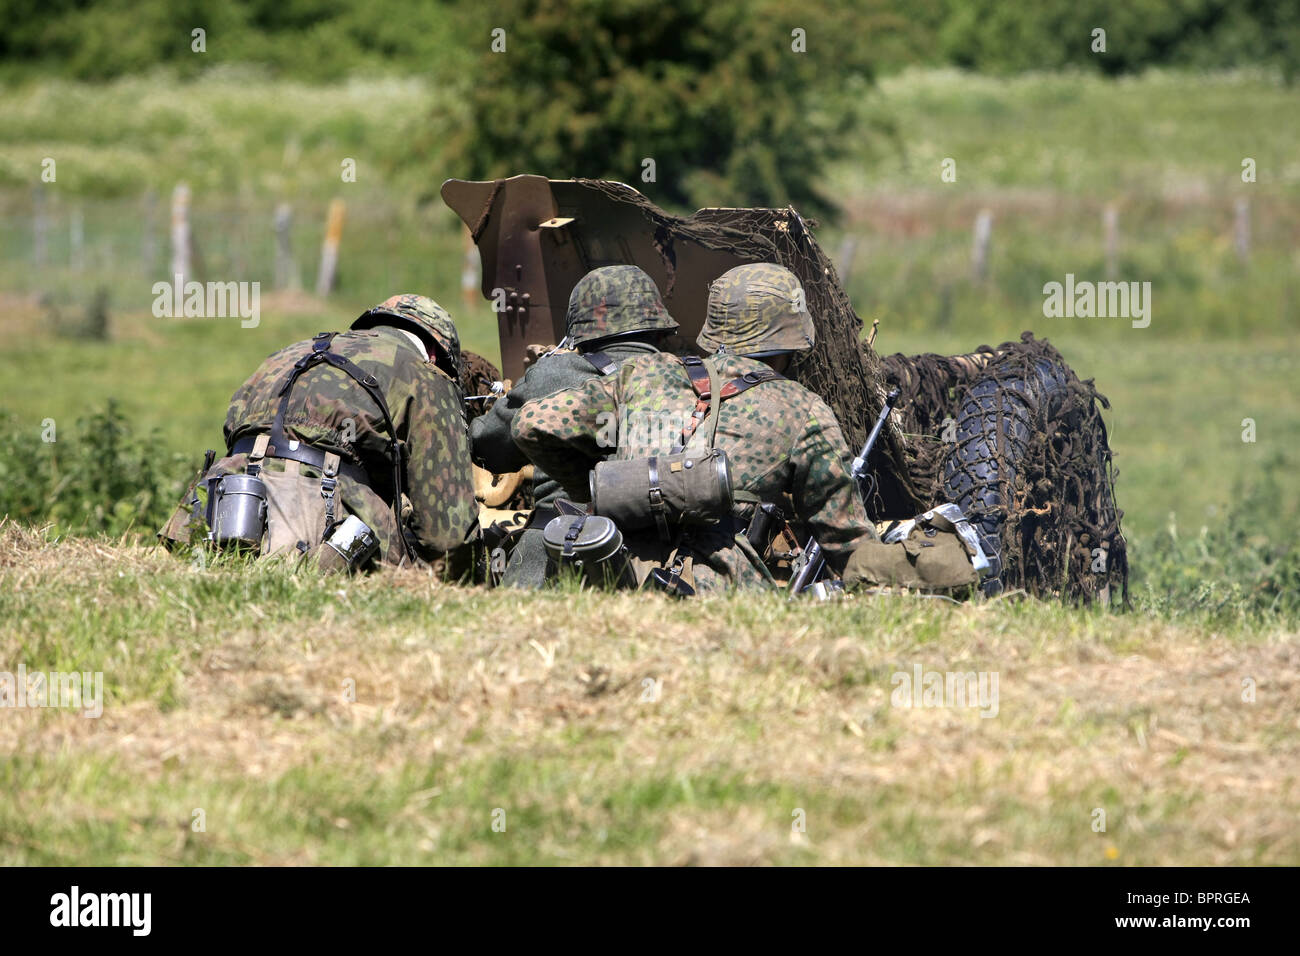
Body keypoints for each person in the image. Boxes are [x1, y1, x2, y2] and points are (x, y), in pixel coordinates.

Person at [511, 262, 875, 593]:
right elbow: (849, 544)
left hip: (617, 581)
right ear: (790, 344)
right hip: (729, 596)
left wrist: (604, 489)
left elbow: (530, 425)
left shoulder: (645, 374)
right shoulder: (803, 408)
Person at [159, 294, 479, 572]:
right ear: (436, 354)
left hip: (217, 504)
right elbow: (448, 537)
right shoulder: (425, 375)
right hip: (314, 520)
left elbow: (236, 431)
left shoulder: (289, 353)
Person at [471, 264, 679, 587]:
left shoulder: (556, 374)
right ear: (660, 330)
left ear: (579, 331)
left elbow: (487, 445)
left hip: (554, 561)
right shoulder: (687, 380)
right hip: (661, 567)